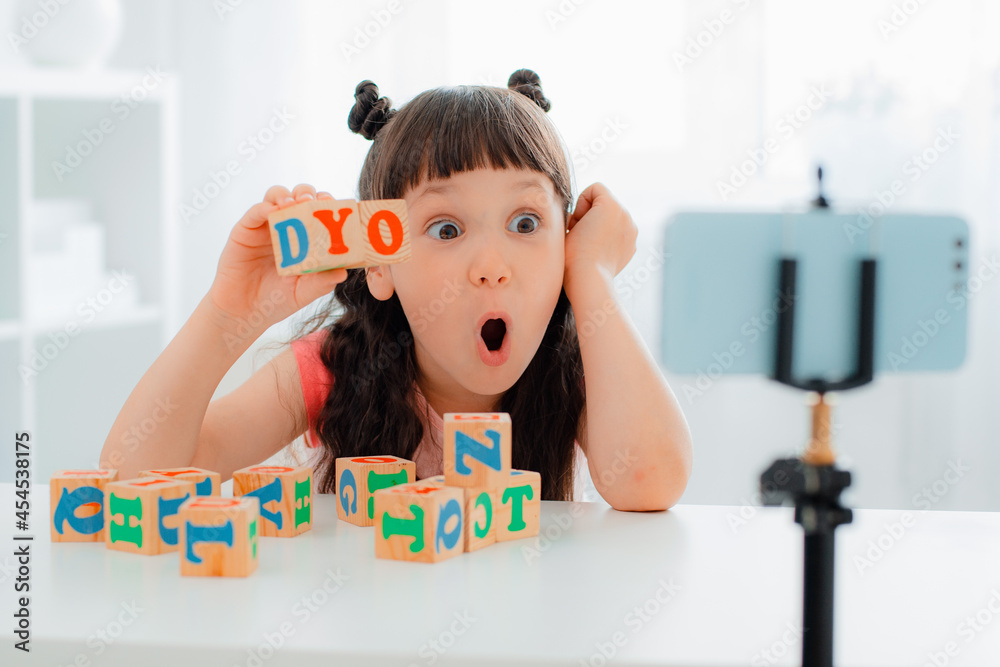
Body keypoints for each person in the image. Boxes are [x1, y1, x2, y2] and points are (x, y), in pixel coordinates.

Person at [99, 69, 692, 509]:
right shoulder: (332, 368)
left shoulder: (579, 367)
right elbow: (136, 478)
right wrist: (227, 316)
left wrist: (593, 279)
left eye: (526, 223)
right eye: (446, 228)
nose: (491, 266)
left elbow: (651, 481)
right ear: (378, 264)